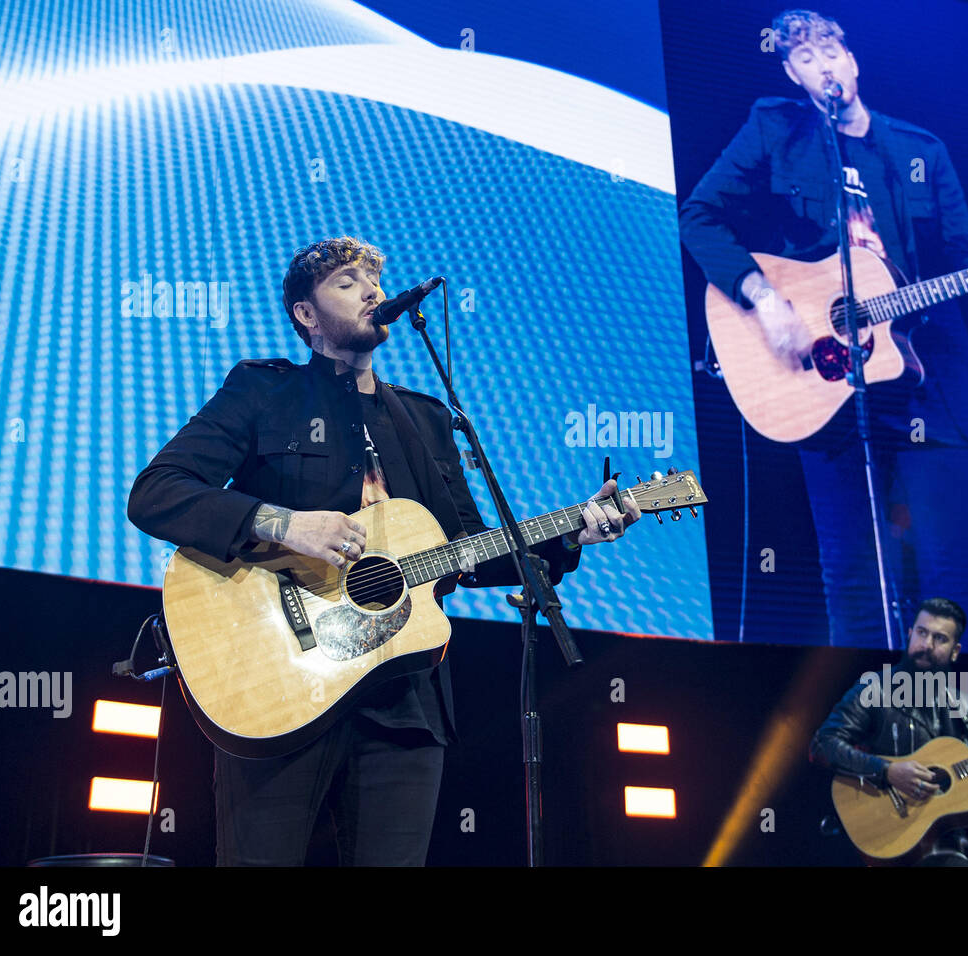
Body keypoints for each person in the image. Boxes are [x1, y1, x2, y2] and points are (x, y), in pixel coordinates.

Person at [127, 235, 639, 866]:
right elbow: (156, 492)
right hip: (277, 687)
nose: (372, 290)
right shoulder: (263, 393)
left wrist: (571, 532)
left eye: (373, 277)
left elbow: (467, 551)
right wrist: (283, 524)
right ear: (306, 315)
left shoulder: (423, 420)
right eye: (347, 281)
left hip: (406, 703)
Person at [679, 9, 968, 647]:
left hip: (925, 384)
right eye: (804, 58)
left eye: (829, 51)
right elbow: (699, 215)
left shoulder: (919, 150)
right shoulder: (775, 130)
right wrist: (764, 300)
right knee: (853, 580)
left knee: (949, 589)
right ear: (791, 73)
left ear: (852, 59)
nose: (822, 65)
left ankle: (947, 734)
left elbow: (965, 254)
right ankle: (865, 731)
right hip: (825, 382)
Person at [810, 597, 968, 865]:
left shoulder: (967, 708)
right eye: (922, 633)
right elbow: (823, 744)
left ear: (955, 651)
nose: (927, 645)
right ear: (910, 635)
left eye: (940, 638)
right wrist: (887, 771)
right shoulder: (873, 689)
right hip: (916, 841)